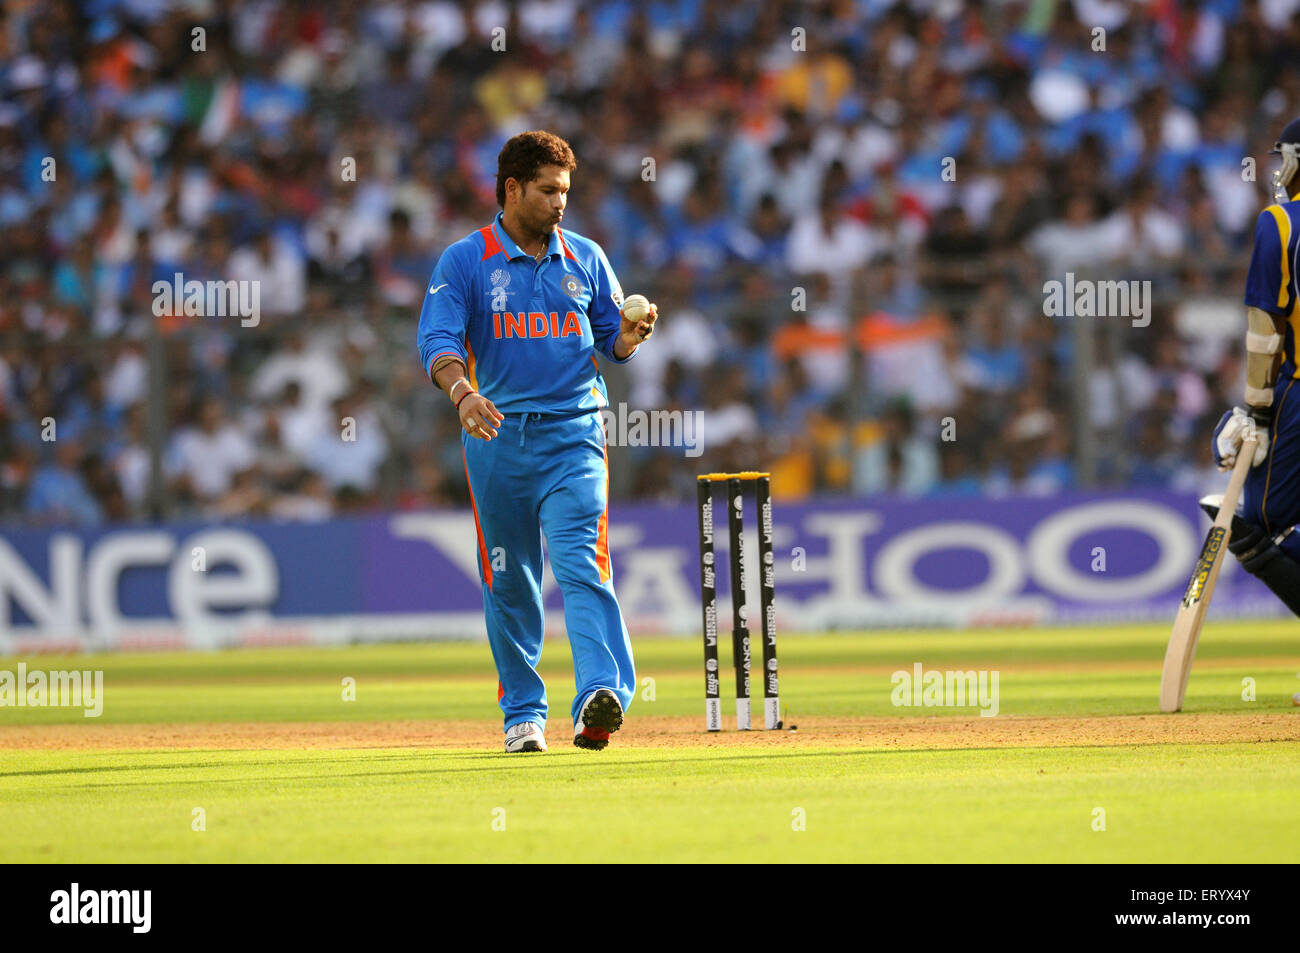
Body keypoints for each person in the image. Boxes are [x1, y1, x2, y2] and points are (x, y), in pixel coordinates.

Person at [416, 131, 658, 753]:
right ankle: (523, 712)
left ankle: (598, 698)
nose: (560, 204)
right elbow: (437, 342)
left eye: (566, 192)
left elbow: (612, 340)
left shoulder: (586, 257)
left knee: (583, 564)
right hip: (495, 438)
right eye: (549, 191)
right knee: (510, 580)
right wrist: (463, 394)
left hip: (575, 433)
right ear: (513, 189)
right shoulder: (465, 261)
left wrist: (630, 335)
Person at [1209, 117, 1300, 626]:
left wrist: (1256, 411)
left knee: (1264, 526)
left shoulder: (1281, 221)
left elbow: (1265, 330)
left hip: (1298, 390)